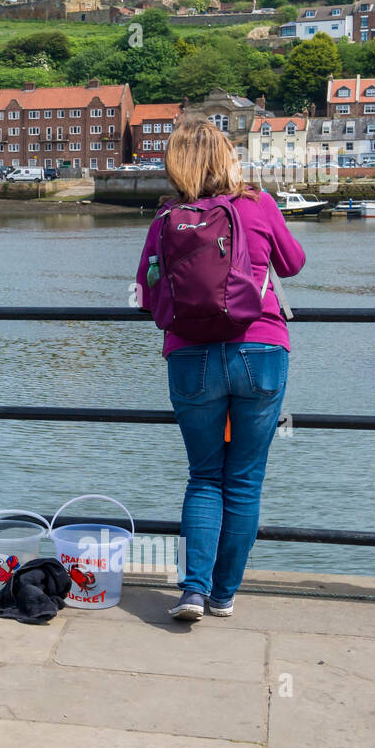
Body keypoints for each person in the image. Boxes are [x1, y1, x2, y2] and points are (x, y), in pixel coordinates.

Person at [135, 120, 305, 622]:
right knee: (245, 481)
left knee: (204, 477)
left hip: (191, 357)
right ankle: (224, 596)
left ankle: (192, 591)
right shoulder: (257, 204)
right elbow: (293, 263)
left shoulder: (167, 217)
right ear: (228, 159)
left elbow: (147, 294)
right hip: (261, 350)